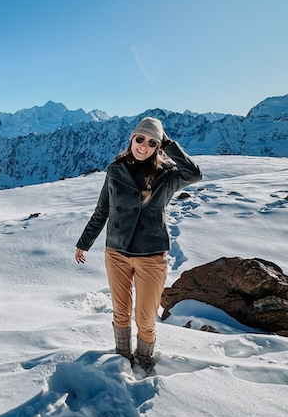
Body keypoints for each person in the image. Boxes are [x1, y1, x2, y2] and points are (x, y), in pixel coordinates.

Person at [74, 117, 202, 371]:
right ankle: (121, 361)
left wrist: (169, 145)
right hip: (116, 252)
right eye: (139, 139)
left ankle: (144, 363)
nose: (143, 146)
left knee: (145, 319)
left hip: (151, 255)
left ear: (159, 146)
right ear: (131, 139)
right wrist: (84, 243)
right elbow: (102, 211)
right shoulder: (115, 169)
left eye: (152, 142)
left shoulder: (167, 175)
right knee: (120, 313)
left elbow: (194, 174)